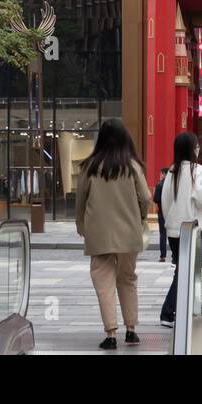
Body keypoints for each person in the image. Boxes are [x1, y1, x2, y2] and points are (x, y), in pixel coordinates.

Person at [75, 118, 152, 350]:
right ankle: (131, 330)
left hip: (99, 233)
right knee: (128, 279)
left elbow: (80, 200)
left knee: (103, 283)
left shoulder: (89, 167)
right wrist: (140, 217)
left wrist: (81, 226)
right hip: (129, 233)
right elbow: (146, 198)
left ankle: (110, 333)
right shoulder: (133, 166)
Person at [158, 132, 202, 327]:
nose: (198, 149)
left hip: (174, 228)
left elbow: (164, 203)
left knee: (187, 269)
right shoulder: (199, 171)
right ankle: (168, 312)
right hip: (193, 227)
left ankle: (193, 306)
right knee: (186, 271)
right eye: (196, 146)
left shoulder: (172, 172)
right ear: (192, 149)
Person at [153, 167, 169, 262]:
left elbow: (155, 199)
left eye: (161, 174)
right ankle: (175, 255)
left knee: (163, 234)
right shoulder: (172, 184)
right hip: (171, 212)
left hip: (162, 212)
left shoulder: (159, 185)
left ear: (164, 174)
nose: (160, 176)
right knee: (172, 233)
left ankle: (163, 256)